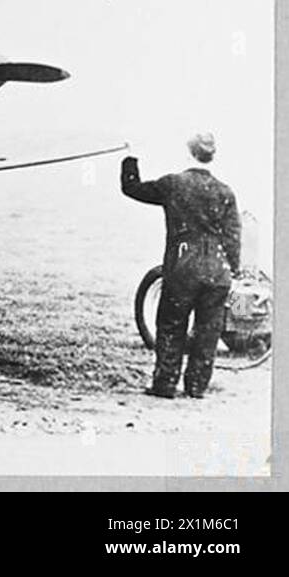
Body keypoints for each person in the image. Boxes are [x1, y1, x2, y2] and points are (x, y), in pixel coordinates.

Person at [121, 133, 241, 399]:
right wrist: (234, 271)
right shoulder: (225, 192)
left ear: (188, 153)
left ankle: (165, 385)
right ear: (212, 156)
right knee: (208, 332)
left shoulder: (174, 184)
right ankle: (197, 387)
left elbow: (131, 188)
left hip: (183, 266)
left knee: (172, 325)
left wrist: (131, 156)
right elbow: (233, 237)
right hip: (217, 270)